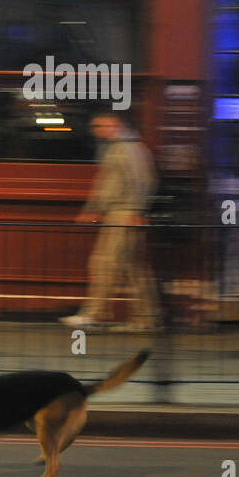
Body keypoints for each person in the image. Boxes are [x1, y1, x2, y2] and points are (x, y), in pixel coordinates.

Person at [62, 113, 161, 332]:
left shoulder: (128, 148)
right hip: (121, 212)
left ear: (116, 125)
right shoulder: (121, 147)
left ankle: (94, 315)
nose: (96, 130)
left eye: (100, 125)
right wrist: (95, 209)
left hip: (123, 213)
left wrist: (136, 209)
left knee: (104, 264)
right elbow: (110, 183)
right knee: (132, 267)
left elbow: (142, 181)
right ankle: (147, 318)